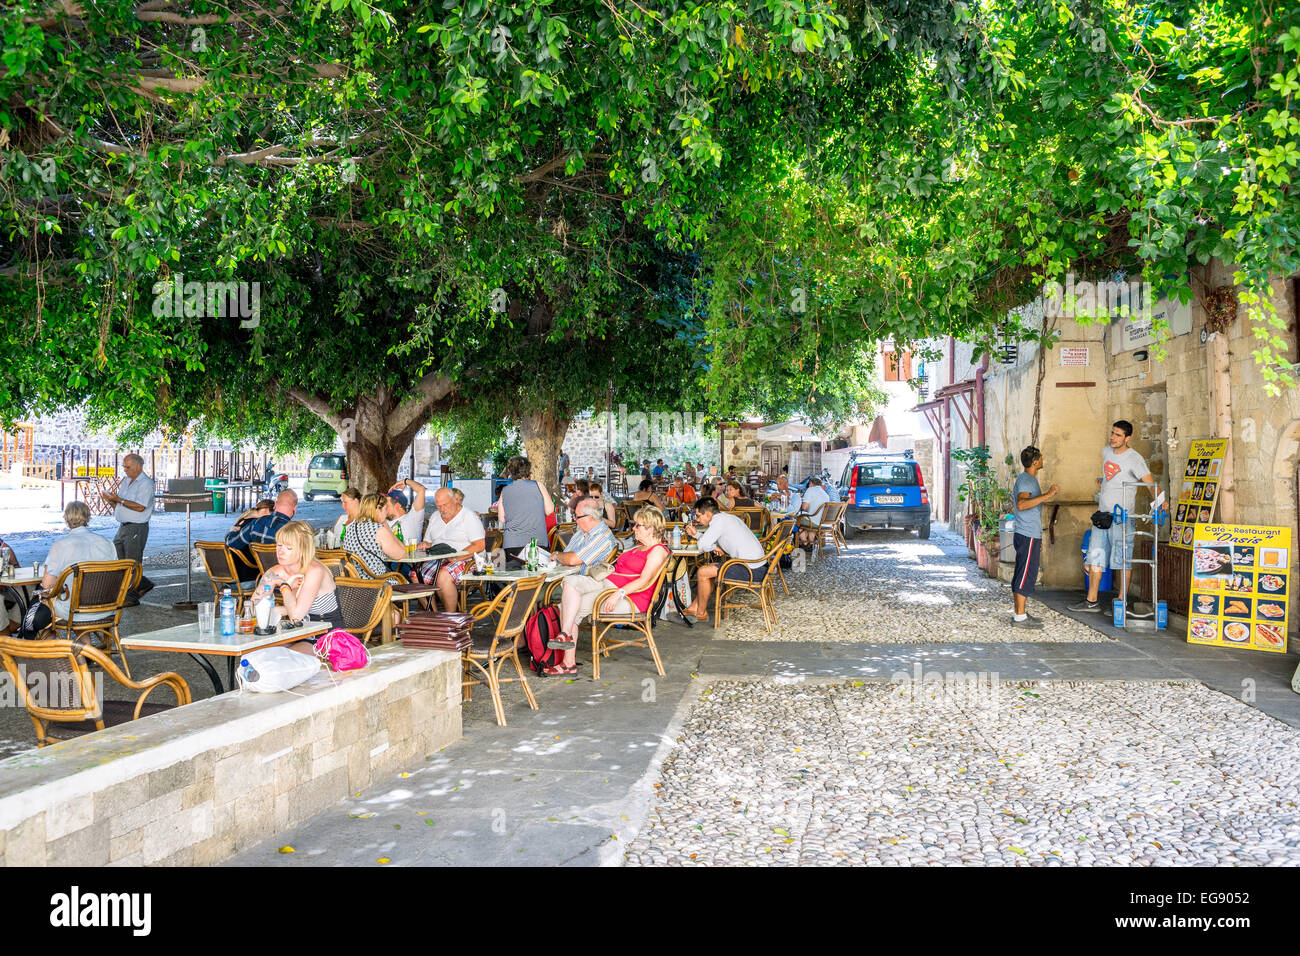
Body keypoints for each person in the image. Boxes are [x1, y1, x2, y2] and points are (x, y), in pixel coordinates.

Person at [546, 505, 670, 675]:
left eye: (637, 525)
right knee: (570, 581)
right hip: (605, 584)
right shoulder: (638, 547)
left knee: (567, 609)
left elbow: (644, 580)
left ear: (651, 528)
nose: (633, 528)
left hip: (629, 599)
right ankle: (566, 634)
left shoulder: (657, 551)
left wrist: (618, 594)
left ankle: (568, 662)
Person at [1070, 420, 1158, 613]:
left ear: (1127, 438)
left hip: (1123, 519)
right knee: (1095, 558)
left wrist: (1160, 502)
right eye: (1112, 433)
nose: (1113, 438)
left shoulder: (1135, 458)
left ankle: (1121, 603)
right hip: (1103, 516)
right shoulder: (1106, 452)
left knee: (1122, 561)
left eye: (1118, 435)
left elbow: (1149, 483)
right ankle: (1091, 601)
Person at [26, 502, 119, 639]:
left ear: (66, 519)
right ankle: (84, 650)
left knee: (45, 604)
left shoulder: (61, 545)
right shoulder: (107, 543)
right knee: (74, 598)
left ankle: (46, 650)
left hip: (74, 611)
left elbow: (47, 585)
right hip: (107, 608)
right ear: (88, 517)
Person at [257, 520, 343, 654]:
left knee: (281, 657)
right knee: (258, 653)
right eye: (279, 545)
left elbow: (295, 616)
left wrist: (285, 587)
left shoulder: (314, 570)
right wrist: (285, 609)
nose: (280, 551)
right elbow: (254, 606)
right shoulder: (275, 571)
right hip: (299, 632)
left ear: (303, 549)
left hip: (326, 635)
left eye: (288, 548)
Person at [680, 496, 766, 622]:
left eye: (698, 516)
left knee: (703, 572)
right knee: (710, 569)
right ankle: (694, 607)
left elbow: (703, 545)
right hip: (757, 565)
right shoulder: (726, 517)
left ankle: (701, 613)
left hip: (752, 570)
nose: (697, 520)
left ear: (708, 514)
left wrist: (714, 546)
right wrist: (696, 534)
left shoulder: (718, 521)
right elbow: (708, 540)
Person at [412, 487, 487, 612]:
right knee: (415, 575)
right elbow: (430, 542)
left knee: (443, 576)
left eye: (445, 505)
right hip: (439, 558)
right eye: (438, 506)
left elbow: (479, 545)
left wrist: (456, 557)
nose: (442, 509)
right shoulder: (435, 516)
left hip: (467, 559)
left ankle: (450, 618)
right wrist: (424, 545)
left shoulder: (468, 516)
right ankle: (434, 615)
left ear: (455, 500)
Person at [1010, 446, 1059, 629]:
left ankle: (1020, 613)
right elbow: (1022, 504)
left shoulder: (1027, 480)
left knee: (1021, 574)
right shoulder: (1027, 481)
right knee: (1025, 575)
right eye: (1041, 457)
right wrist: (1048, 495)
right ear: (1036, 461)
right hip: (1027, 534)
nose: (1043, 459)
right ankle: (1020, 618)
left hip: (1028, 534)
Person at [101, 453, 155, 606]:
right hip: (123, 525)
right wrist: (112, 501)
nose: (125, 470)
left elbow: (140, 506)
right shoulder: (126, 481)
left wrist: (119, 500)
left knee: (132, 561)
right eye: (124, 466)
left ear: (138, 467)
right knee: (119, 559)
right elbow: (121, 504)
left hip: (137, 526)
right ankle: (142, 583)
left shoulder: (146, 483)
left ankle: (131, 596)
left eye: (128, 467)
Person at [226, 489, 297, 581]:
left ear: (275, 504)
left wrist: (233, 531)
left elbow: (232, 543)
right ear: (294, 508)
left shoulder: (256, 523)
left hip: (260, 580)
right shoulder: (294, 531)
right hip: (285, 582)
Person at [497, 457, 554, 565]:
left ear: (510, 471)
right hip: (537, 543)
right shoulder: (538, 485)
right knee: (536, 578)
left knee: (517, 579)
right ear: (528, 469)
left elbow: (502, 518)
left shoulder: (504, 491)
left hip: (512, 544)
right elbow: (549, 510)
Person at [345, 493, 408, 577]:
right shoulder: (379, 530)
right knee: (408, 580)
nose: (386, 513)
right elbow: (401, 554)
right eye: (385, 509)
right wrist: (386, 526)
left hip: (354, 581)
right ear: (378, 509)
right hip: (376, 582)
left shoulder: (350, 528)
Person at [554, 498, 618, 571]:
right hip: (562, 573)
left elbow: (572, 560)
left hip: (578, 580)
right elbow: (567, 554)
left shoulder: (603, 537)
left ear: (589, 518)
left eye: (577, 516)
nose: (575, 519)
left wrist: (556, 555)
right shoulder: (582, 532)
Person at [385, 478, 427, 546]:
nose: (383, 507)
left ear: (397, 506)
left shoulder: (413, 518)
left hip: (410, 555)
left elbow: (421, 489)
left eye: (386, 505)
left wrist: (405, 481)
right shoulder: (383, 521)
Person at [797, 476, 830, 546]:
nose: (808, 486)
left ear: (811, 483)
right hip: (823, 522)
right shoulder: (826, 494)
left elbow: (804, 507)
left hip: (814, 522)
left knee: (797, 519)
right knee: (808, 522)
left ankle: (805, 542)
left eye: (809, 484)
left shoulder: (810, 490)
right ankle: (811, 543)